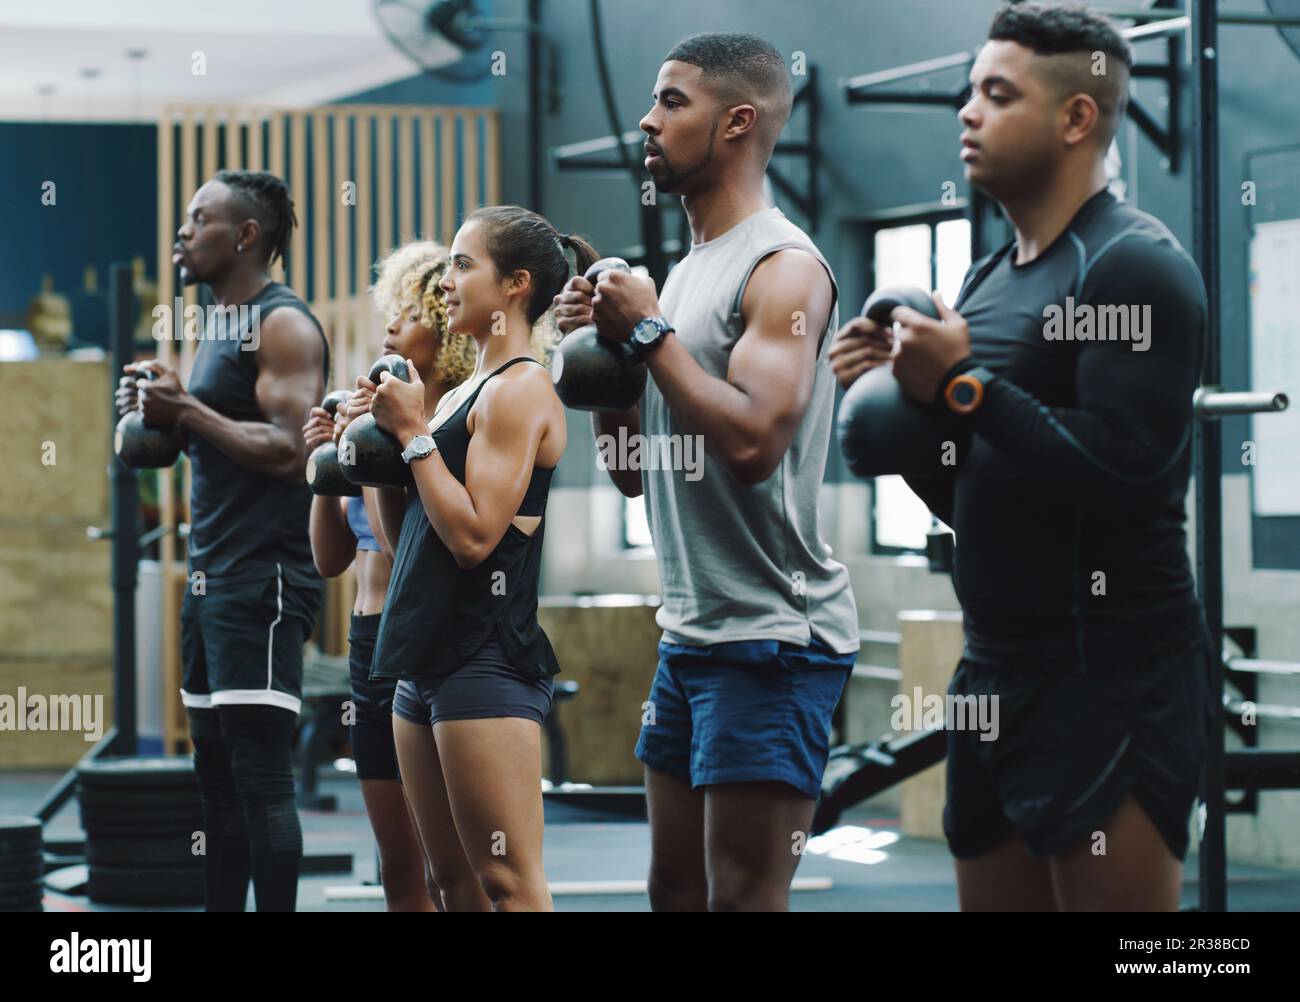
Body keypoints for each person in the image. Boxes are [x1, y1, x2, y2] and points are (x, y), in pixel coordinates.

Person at [830, 2, 1212, 911]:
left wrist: (963, 387)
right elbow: (984, 497)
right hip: (992, 672)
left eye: (998, 95)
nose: (968, 112)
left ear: (1077, 118)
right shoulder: (988, 279)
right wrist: (912, 417)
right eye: (971, 92)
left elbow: (1127, 475)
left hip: (1113, 674)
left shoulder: (1133, 267)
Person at [554, 32, 859, 912]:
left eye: (673, 101)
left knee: (742, 899)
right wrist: (608, 367)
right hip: (691, 632)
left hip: (771, 638)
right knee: (675, 892)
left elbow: (756, 441)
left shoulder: (785, 268)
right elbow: (634, 477)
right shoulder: (684, 277)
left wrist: (647, 333)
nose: (647, 120)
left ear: (737, 121)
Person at [355, 206, 595, 912]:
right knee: (448, 882)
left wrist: (411, 436)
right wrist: (381, 446)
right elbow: (411, 546)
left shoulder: (523, 388)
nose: (447, 280)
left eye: (464, 265)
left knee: (507, 882)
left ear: (516, 285)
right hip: (419, 658)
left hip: (484, 659)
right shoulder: (461, 392)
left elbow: (473, 540)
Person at [114, 170, 327, 912]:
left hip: (263, 582)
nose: (182, 230)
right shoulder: (219, 327)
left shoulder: (282, 324)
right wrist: (162, 416)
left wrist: (190, 413)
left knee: (261, 777)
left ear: (245, 236)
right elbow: (205, 442)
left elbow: (292, 452)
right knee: (216, 777)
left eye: (199, 218)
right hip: (212, 577)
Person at [302, 242, 474, 910]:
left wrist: (377, 454)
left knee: (450, 871)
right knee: (398, 869)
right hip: (369, 643)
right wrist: (328, 462)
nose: (390, 326)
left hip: (431, 638)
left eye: (407, 312)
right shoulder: (372, 414)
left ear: (445, 324)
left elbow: (412, 552)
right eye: (391, 311)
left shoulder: (450, 422)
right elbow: (328, 560)